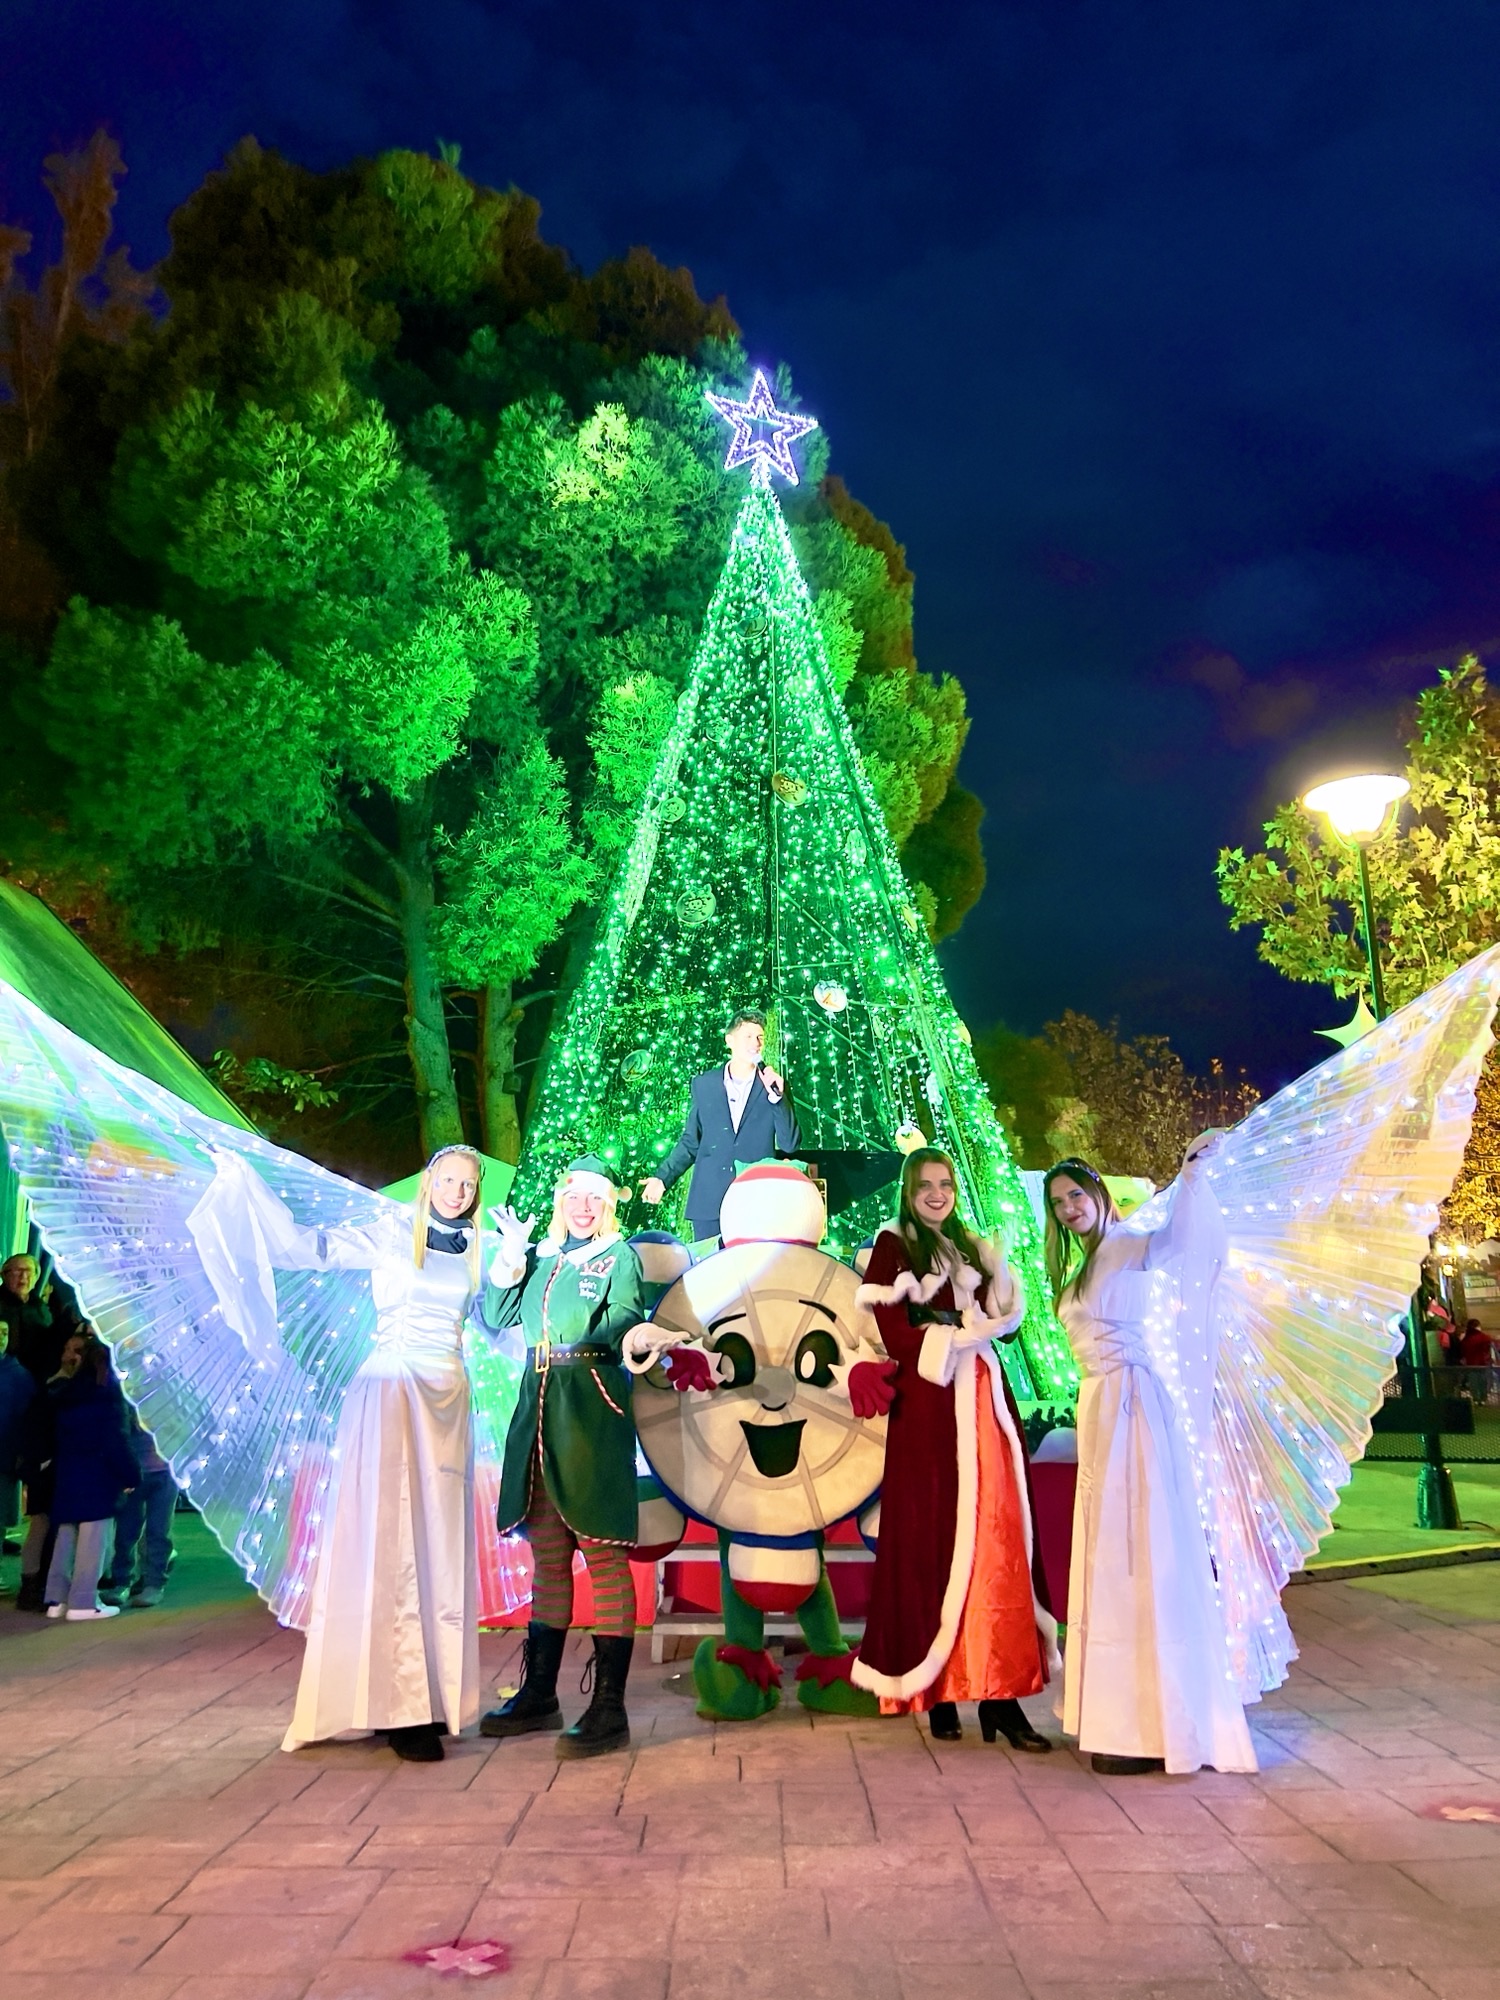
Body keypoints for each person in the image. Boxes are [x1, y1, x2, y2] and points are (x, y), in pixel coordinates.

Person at [188, 1144, 489, 1762]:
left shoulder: (478, 1251)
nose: (457, 1192)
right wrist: (245, 1185)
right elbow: (302, 1249)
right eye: (448, 1180)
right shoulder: (387, 1233)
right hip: (392, 1393)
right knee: (388, 1543)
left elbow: (501, 1324)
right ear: (428, 1182)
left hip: (447, 1401)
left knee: (435, 1545)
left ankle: (425, 1696)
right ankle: (396, 1707)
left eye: (468, 1183)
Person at [1045, 1145, 1258, 1776]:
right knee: (1111, 1554)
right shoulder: (1083, 1266)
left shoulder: (1132, 1243)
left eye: (1076, 1196)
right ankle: (1118, 1715)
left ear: (1099, 1194)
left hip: (1133, 1407)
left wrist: (1190, 1180)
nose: (1069, 1209)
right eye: (1058, 1204)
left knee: (1143, 1551)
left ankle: (1153, 1722)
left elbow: (1179, 1243)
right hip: (1101, 1407)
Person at [851, 1148, 1056, 1749]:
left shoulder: (971, 1246)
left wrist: (999, 1300)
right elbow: (891, 1333)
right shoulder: (893, 1247)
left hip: (985, 1405)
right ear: (909, 1192)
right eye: (925, 1186)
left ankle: (1001, 1696)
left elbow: (1006, 1322)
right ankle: (936, 1689)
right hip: (930, 1406)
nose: (937, 1194)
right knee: (929, 1539)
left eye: (945, 1184)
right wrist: (953, 1336)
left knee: (997, 1538)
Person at [479, 1156, 648, 1757]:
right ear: (561, 1200)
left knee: (602, 1556)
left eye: (594, 1198)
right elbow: (494, 1316)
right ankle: (541, 1695)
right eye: (574, 1196)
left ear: (608, 1205)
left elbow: (624, 1320)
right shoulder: (542, 1255)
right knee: (548, 1555)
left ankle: (609, 1709)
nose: (583, 1206)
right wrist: (510, 1260)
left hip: (590, 1407)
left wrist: (623, 1334)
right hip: (538, 1408)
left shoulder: (617, 1257)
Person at [641, 1009, 800, 1245]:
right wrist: (663, 1177)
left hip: (753, 1200)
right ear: (729, 1040)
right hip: (708, 1202)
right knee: (710, 1273)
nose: (755, 1044)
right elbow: (690, 1142)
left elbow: (790, 1144)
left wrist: (777, 1098)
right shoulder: (705, 1084)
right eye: (747, 1036)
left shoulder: (772, 1085)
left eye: (760, 1037)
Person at [43, 1327, 138, 1621]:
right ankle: (84, 1601)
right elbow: (116, 1443)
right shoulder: (108, 1400)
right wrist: (131, 1476)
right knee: (94, 1538)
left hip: (69, 1475)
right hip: (98, 1478)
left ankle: (55, 1599)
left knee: (66, 1535)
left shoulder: (66, 1395)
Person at [100, 1410, 178, 1608]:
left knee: (158, 1530)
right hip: (134, 1472)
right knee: (127, 1531)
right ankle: (123, 1581)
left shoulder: (172, 1402)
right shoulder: (130, 1399)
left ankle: (153, 1583)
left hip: (165, 1472)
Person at [0, 1319, 36, 1572]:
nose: (1, 1337)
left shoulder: (17, 1374)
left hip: (5, 1456)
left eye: (4, 1331)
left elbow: (26, 1418)